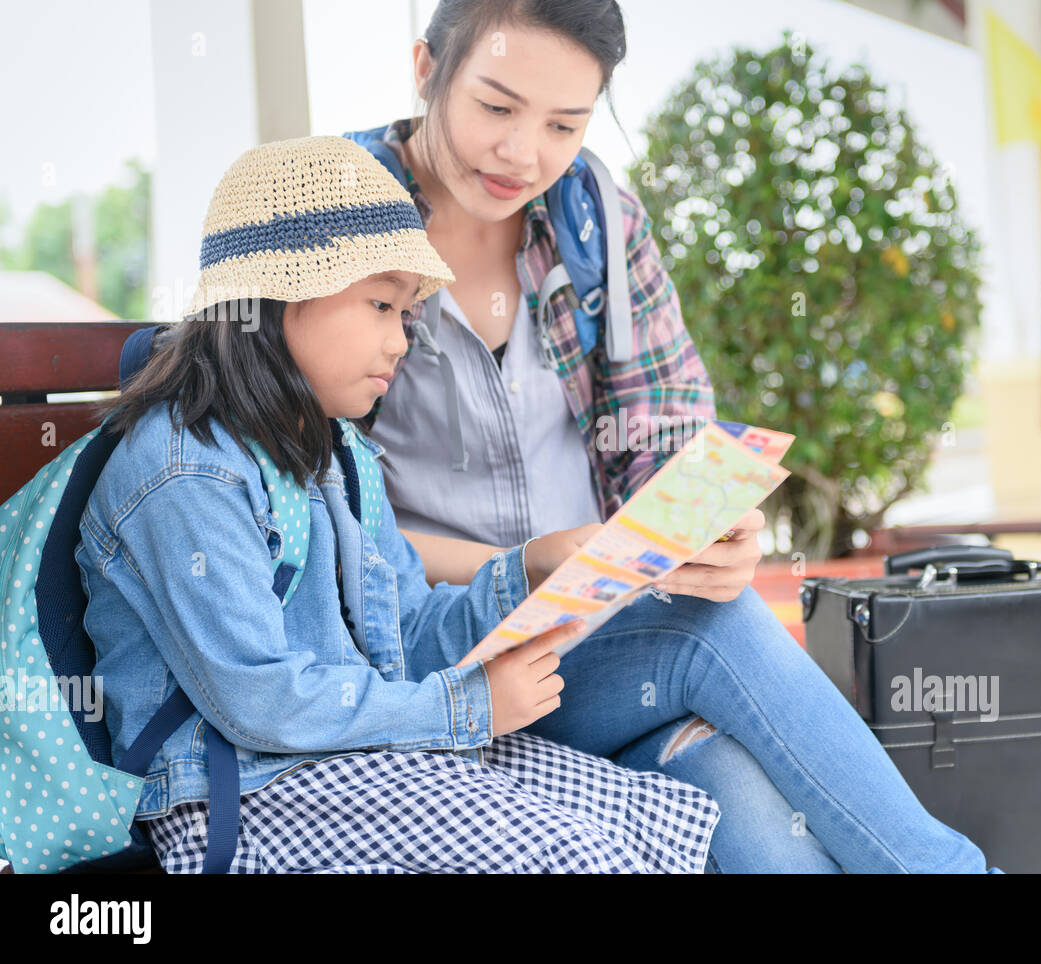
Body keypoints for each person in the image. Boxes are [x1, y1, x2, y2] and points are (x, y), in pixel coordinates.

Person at [357, 0, 1002, 873]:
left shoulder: (594, 220)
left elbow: (664, 433)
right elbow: (316, 526)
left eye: (564, 123)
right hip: (431, 658)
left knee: (742, 803)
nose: (524, 153)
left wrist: (707, 531)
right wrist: (534, 565)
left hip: (586, 650)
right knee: (707, 632)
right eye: (497, 107)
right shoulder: (345, 217)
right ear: (427, 70)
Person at [73, 135, 721, 873]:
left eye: (407, 314)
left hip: (345, 763)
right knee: (567, 851)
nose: (400, 341)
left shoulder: (337, 454)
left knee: (642, 814)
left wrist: (530, 571)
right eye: (382, 304)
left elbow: (407, 632)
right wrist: (468, 708)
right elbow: (260, 701)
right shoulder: (186, 472)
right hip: (238, 799)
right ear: (276, 296)